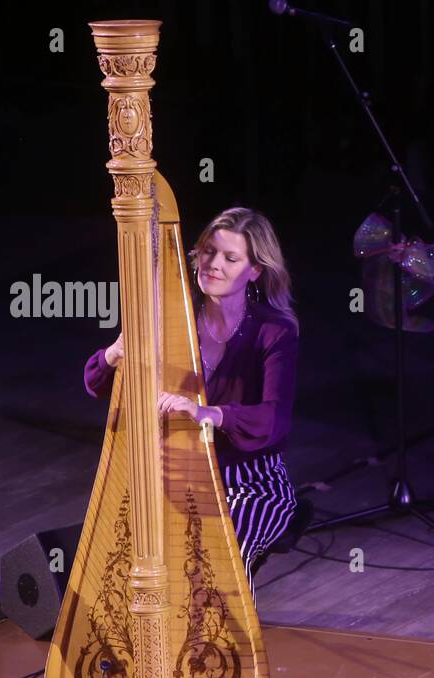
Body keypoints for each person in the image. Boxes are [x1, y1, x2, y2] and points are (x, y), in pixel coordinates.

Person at [84, 207, 300, 597]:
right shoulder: (171, 318)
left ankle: (222, 652)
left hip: (250, 482)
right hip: (176, 476)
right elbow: (96, 384)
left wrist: (206, 413)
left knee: (219, 554)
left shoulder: (273, 331)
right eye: (207, 251)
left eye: (230, 258)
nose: (213, 264)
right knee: (118, 556)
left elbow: (273, 421)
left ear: (254, 270)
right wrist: (116, 352)